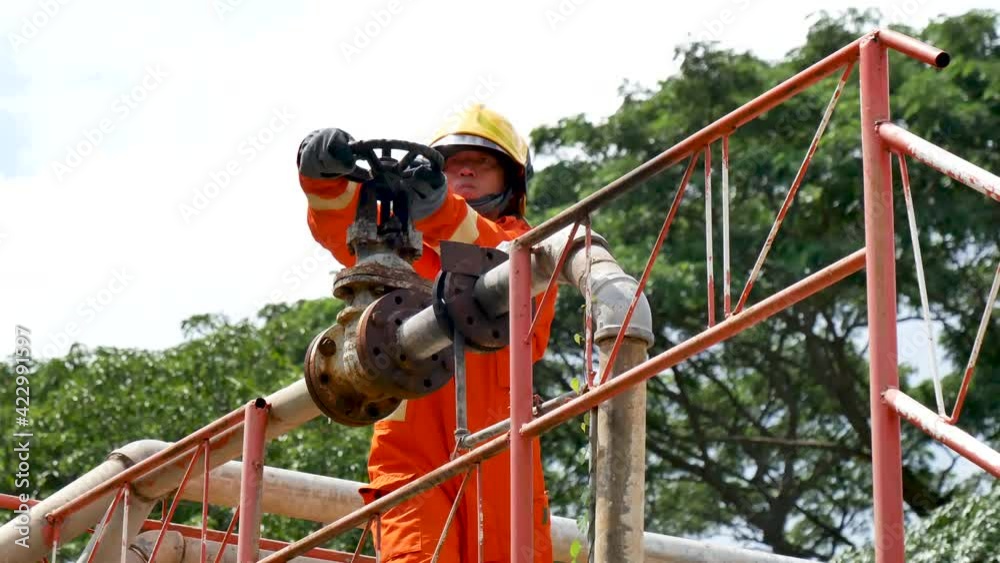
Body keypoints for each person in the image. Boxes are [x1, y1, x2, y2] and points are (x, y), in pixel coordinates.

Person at [296, 104, 555, 562]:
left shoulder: (531, 250)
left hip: (505, 468)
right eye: (453, 162)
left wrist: (441, 210)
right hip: (411, 462)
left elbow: (497, 258)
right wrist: (324, 181)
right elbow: (340, 227)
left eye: (484, 161)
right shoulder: (397, 245)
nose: (467, 169)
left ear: (510, 182)